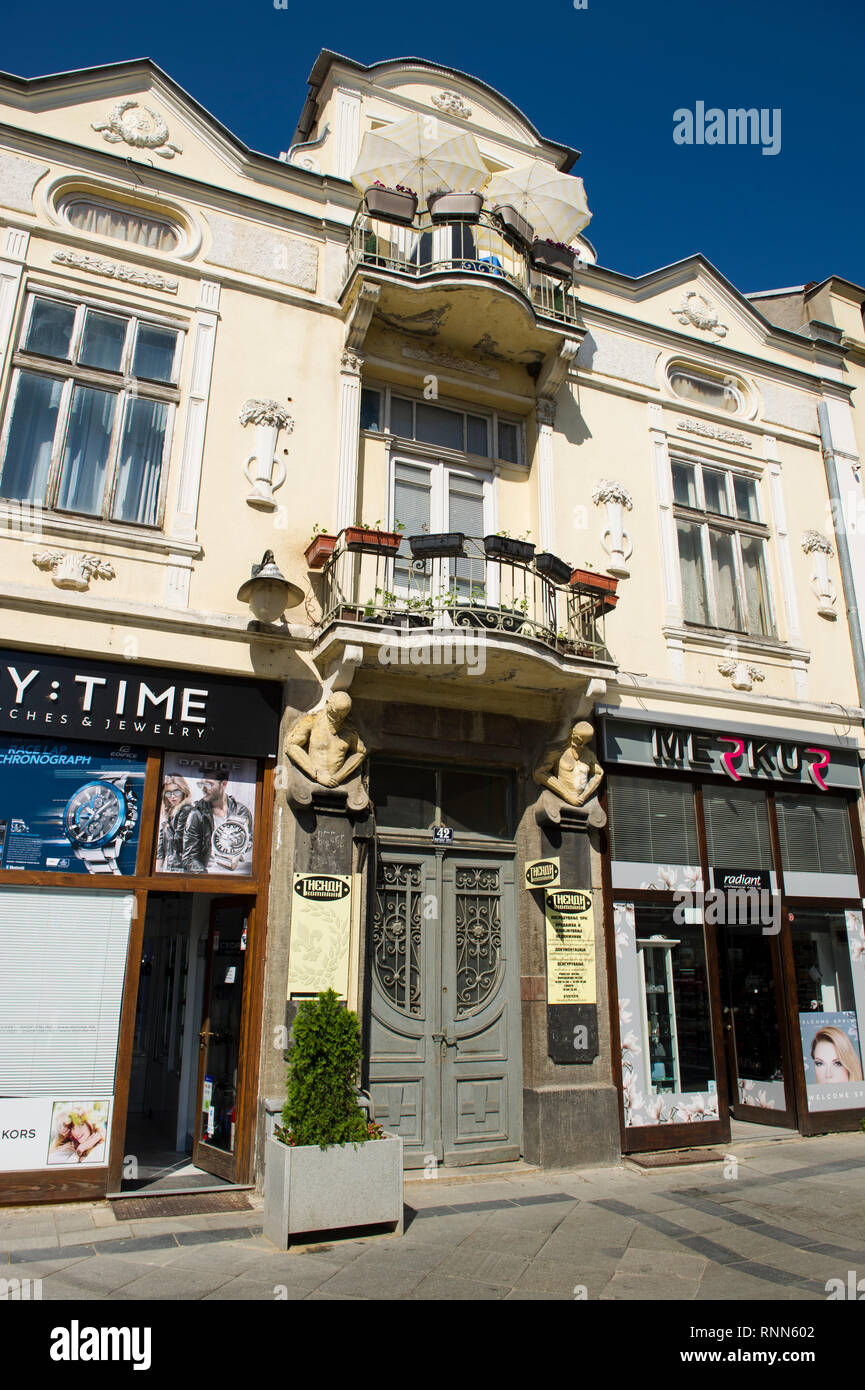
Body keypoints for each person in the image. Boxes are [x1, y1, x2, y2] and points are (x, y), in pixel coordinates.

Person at [284, 692, 368, 810]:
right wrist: (317, 775)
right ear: (328, 704)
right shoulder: (312, 721)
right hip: (314, 779)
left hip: (338, 785)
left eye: (342, 715)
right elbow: (291, 746)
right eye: (335, 713)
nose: (338, 718)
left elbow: (360, 753)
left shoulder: (349, 730)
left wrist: (339, 776)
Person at [182, 773, 253, 873]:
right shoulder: (196, 814)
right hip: (207, 873)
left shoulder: (241, 811)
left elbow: (249, 843)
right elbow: (189, 858)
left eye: (208, 784)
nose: (204, 789)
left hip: (236, 872)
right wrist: (205, 876)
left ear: (223, 784)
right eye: (201, 785)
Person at [155, 775, 194, 872]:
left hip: (181, 869)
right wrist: (157, 869)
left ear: (183, 792)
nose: (172, 796)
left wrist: (167, 826)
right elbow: (160, 849)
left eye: (176, 792)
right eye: (168, 793)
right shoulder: (170, 812)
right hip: (168, 867)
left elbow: (179, 844)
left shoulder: (186, 810)